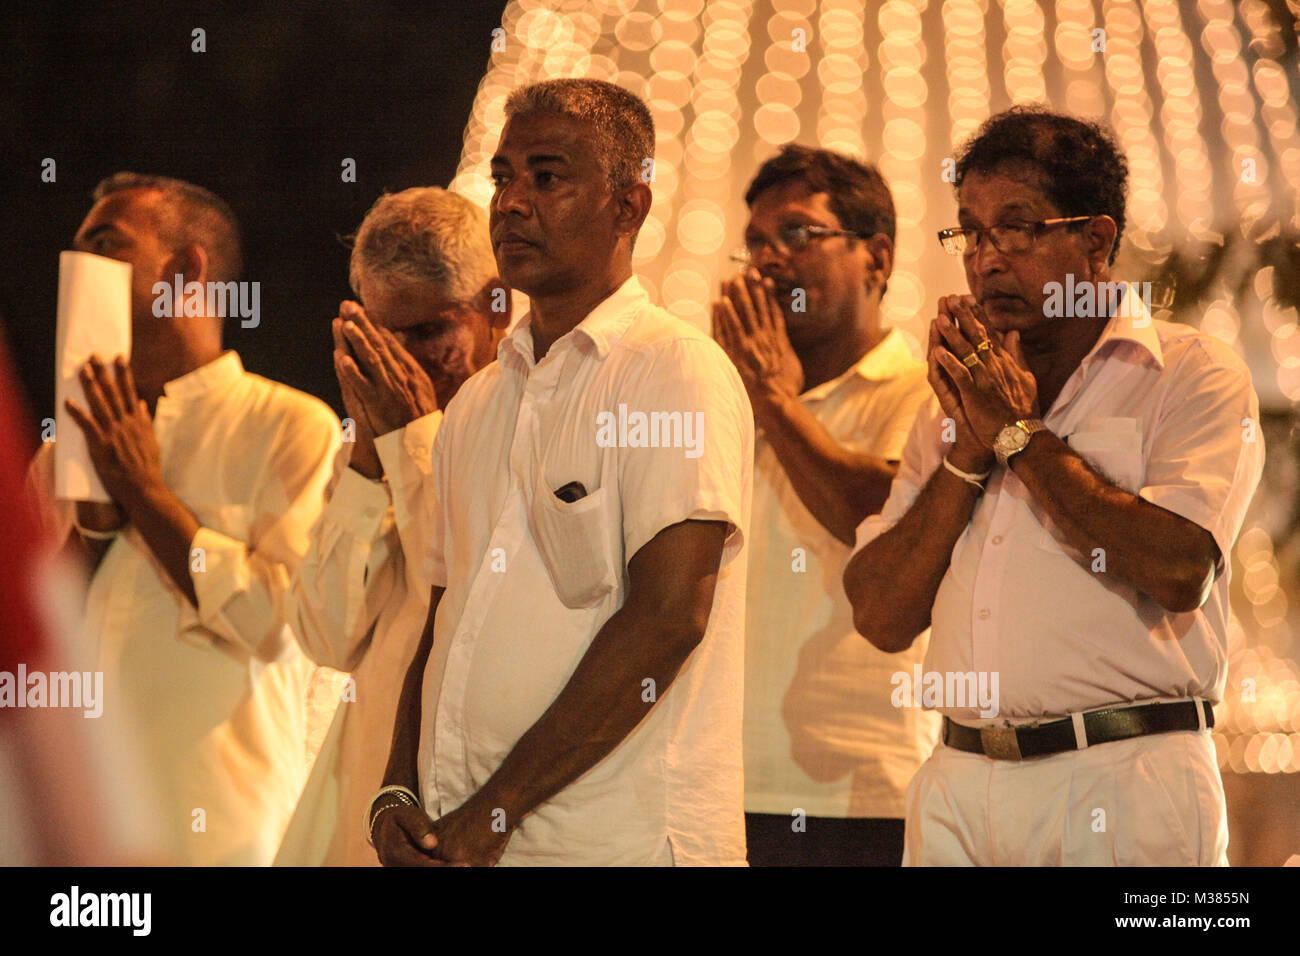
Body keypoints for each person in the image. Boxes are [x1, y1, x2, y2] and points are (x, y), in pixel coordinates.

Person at [843, 106, 1265, 866]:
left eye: (1017, 227)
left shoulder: (1191, 374)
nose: (986, 258)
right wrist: (969, 455)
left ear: (1097, 240)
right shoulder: (953, 400)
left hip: (1127, 782)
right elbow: (879, 614)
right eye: (970, 231)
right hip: (958, 785)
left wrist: (1020, 437)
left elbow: (1179, 569)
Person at [372, 78, 753, 866]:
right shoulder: (478, 401)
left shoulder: (673, 370)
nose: (511, 202)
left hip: (615, 840)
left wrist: (496, 815)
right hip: (468, 835)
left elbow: (669, 618)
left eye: (546, 177)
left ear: (629, 207)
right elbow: (448, 614)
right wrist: (398, 792)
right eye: (502, 177)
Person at [28, 173, 339, 865]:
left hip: (220, 837)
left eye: (106, 245)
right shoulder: (59, 455)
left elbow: (279, 622)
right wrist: (95, 530)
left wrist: (146, 494)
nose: (76, 268)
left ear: (185, 269)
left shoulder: (289, 427)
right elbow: (32, 643)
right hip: (79, 843)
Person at [712, 145, 937, 866]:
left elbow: (878, 517)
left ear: (876, 256)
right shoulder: (729, 396)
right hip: (715, 782)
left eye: (798, 234)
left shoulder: (928, 395)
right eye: (755, 242)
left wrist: (775, 400)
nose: (767, 260)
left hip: (862, 793)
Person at [276, 187, 507, 866]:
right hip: (369, 798)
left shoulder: (532, 410)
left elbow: (470, 587)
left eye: (430, 332)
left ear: (497, 306)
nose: (401, 361)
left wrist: (409, 436)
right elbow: (326, 634)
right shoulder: (376, 439)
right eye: (383, 336)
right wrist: (367, 459)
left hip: (479, 809)